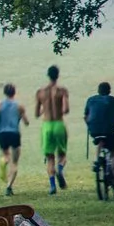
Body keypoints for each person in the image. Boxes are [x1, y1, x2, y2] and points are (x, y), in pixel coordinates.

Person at [83, 81, 114, 197]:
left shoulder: (90, 100)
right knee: (113, 155)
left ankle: (97, 160)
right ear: (109, 91)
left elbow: (86, 116)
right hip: (109, 131)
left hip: (94, 130)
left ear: (98, 91)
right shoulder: (112, 100)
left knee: (100, 140)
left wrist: (89, 126)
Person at [36, 64, 70, 193]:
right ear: (58, 75)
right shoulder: (62, 91)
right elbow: (66, 110)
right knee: (62, 154)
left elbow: (36, 113)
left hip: (47, 125)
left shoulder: (40, 92)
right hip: (59, 124)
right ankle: (60, 169)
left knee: (50, 157)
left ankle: (52, 186)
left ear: (48, 75)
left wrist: (45, 108)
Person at [0, 82, 26, 196]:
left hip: (1, 133)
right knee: (15, 162)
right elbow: (26, 121)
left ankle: (3, 161)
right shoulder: (19, 105)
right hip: (14, 134)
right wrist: (20, 117)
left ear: (4, 92)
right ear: (14, 92)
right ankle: (9, 186)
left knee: (6, 156)